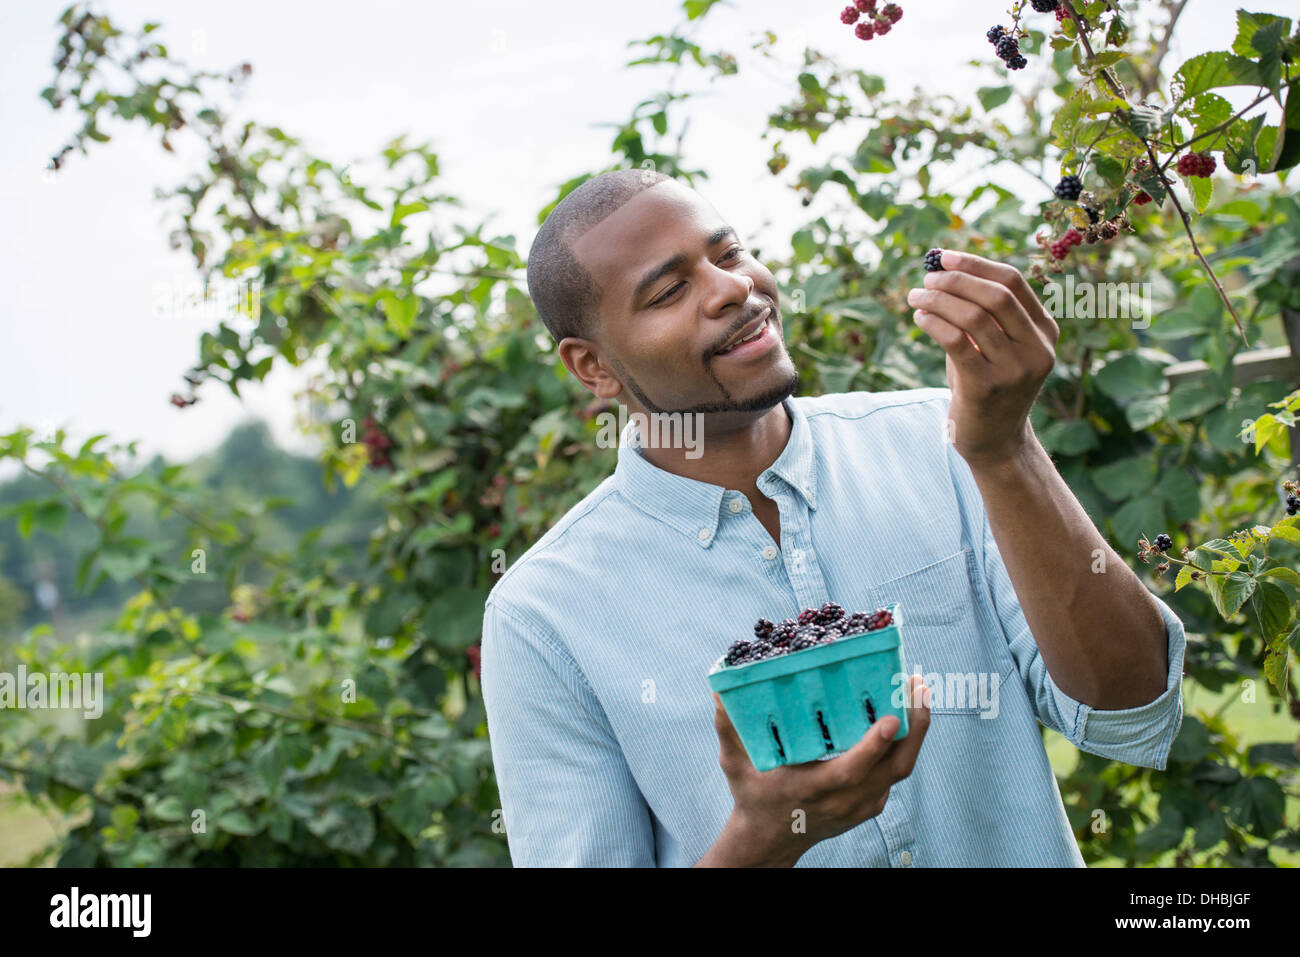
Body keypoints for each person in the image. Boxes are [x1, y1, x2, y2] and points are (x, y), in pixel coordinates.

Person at [479, 168, 1185, 867]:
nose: (732, 288)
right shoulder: (542, 616)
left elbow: (1134, 710)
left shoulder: (943, 443)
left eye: (728, 254)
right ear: (593, 366)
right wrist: (763, 840)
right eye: (670, 290)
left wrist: (1004, 452)